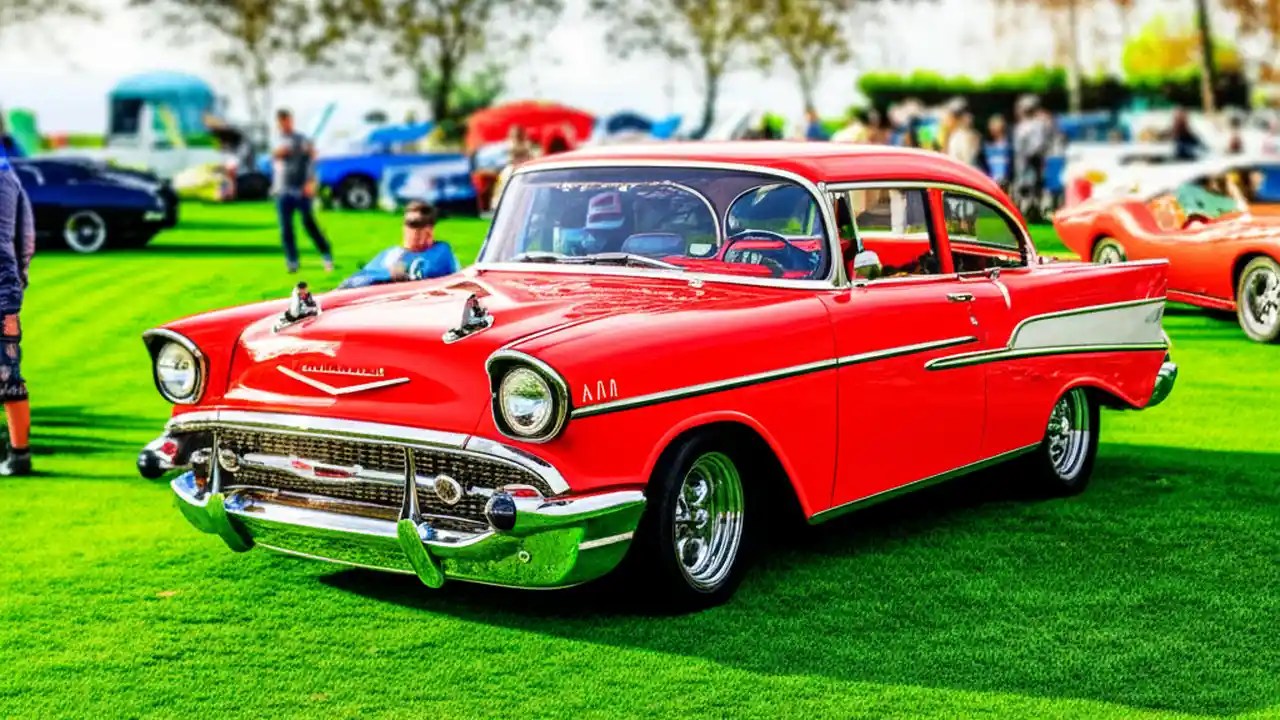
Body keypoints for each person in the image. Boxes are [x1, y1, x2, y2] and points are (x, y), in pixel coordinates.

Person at [0, 158, 34, 476]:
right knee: (9, 376)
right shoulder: (9, 174)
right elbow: (26, 235)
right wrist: (19, 279)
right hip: (4, 289)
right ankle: (19, 454)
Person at [337, 202, 459, 289]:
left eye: (417, 224)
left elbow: (431, 273)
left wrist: (403, 275)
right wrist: (387, 274)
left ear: (430, 230)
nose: (413, 230)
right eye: (409, 223)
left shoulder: (441, 251)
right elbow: (353, 282)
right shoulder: (391, 255)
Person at [273, 109, 333, 274]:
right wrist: (277, 154)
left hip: (301, 189)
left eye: (287, 120)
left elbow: (311, 160)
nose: (284, 124)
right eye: (281, 121)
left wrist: (310, 182)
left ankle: (326, 252)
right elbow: (273, 158)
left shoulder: (301, 140)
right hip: (282, 190)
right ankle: (292, 261)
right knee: (286, 228)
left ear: (291, 121)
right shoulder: (276, 140)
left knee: (308, 223)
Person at [981, 114, 1013, 189]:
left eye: (994, 125)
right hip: (990, 184)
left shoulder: (1009, 146)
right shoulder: (985, 146)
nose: (991, 128)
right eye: (991, 125)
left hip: (1006, 183)